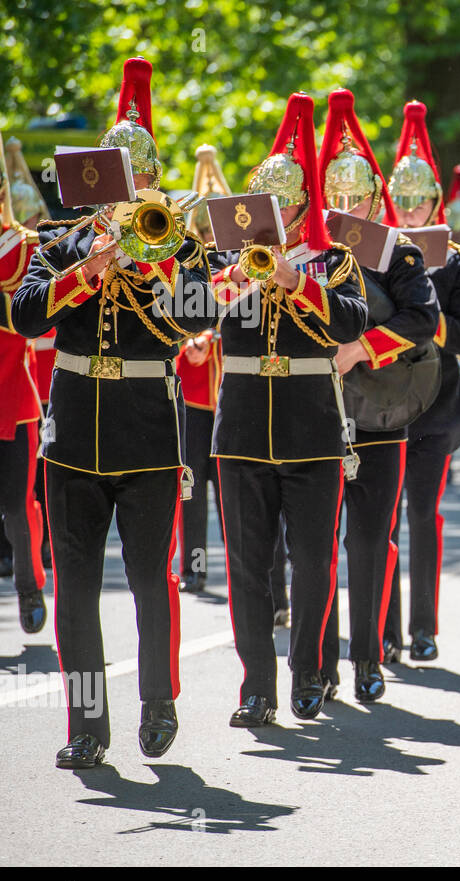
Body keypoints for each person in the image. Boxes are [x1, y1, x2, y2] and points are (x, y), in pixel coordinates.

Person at [12, 58, 216, 767]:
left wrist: (153, 267)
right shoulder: (62, 245)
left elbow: (199, 315)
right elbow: (25, 312)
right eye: (118, 181)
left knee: (146, 579)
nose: (130, 194)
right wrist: (90, 268)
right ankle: (87, 726)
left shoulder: (179, 246)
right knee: (76, 587)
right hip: (72, 432)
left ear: (152, 182)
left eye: (140, 180)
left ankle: (158, 700)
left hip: (148, 432)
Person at [209, 92, 368, 728]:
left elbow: (354, 320)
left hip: (311, 427)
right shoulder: (229, 260)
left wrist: (297, 282)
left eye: (285, 208)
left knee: (313, 561)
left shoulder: (333, 261)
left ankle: (309, 673)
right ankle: (256, 685)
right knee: (248, 565)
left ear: (304, 209)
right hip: (243, 425)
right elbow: (190, 311)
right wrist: (238, 279)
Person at [317, 89, 439, 703]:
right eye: (334, 194)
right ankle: (317, 668)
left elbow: (423, 317)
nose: (345, 205)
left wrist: (360, 348)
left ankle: (366, 657)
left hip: (379, 413)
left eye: (355, 195)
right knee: (314, 547)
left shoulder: (395, 248)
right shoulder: (304, 247)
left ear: (372, 196)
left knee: (367, 539)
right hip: (311, 413)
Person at [381, 101, 460, 665]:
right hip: (380, 403)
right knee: (381, 520)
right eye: (404, 199)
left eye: (421, 200)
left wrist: (428, 312)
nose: (413, 208)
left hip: (435, 406)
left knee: (419, 512)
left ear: (435, 202)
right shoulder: (374, 253)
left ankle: (422, 626)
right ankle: (385, 630)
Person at [175, 144, 231, 593]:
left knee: (234, 494)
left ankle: (245, 568)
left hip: (232, 389)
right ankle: (194, 565)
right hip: (194, 393)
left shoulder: (241, 261)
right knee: (192, 488)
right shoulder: (188, 264)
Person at [0, 137, 45, 633]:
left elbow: (28, 318)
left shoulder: (23, 247)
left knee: (16, 504)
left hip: (11, 396)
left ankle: (30, 584)